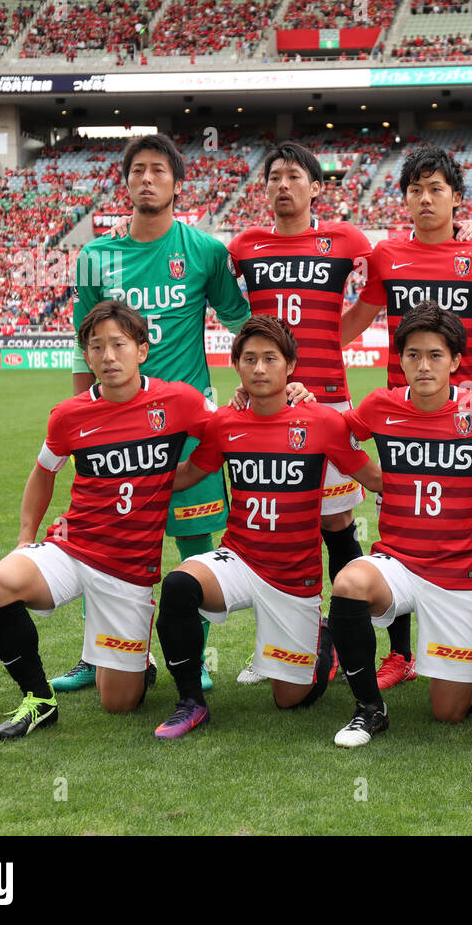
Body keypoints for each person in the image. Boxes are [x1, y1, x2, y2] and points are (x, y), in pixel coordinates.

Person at [59, 133, 251, 694]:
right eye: (138, 169)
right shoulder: (96, 257)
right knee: (105, 547)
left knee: (196, 546)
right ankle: (103, 655)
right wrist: (77, 416)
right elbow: (82, 343)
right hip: (113, 430)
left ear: (176, 183)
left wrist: (254, 388)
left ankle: (195, 657)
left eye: (158, 171)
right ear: (125, 182)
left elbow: (242, 323)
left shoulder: (205, 252)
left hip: (188, 428)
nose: (147, 178)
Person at [0, 301, 214, 739]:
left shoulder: (178, 400)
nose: (108, 356)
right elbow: (42, 473)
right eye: (97, 347)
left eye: (118, 345)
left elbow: (226, 435)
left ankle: (135, 664)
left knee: (118, 705)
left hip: (128, 570)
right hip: (72, 547)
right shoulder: (69, 415)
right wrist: (25, 538)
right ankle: (39, 699)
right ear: (86, 356)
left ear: (142, 349)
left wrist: (179, 477)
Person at [340, 145, 472, 694]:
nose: (426, 198)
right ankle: (400, 653)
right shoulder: (386, 255)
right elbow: (355, 319)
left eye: (436, 188)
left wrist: (469, 368)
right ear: (404, 198)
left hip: (470, 421)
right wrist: (290, 365)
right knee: (398, 534)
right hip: (400, 421)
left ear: (456, 197)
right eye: (416, 189)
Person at [152, 316, 382, 737]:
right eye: (250, 359)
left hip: (295, 576)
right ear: (236, 366)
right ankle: (190, 702)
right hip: (240, 558)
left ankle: (323, 643)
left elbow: (372, 477)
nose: (259, 368)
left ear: (290, 365)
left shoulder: (322, 422)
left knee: (288, 700)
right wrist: (128, 479)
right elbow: (185, 475)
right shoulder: (225, 423)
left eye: (270, 359)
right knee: (180, 585)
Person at [327, 302, 472, 747]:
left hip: (457, 577)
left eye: (435, 355)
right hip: (397, 563)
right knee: (349, 582)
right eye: (413, 355)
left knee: (450, 713)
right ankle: (369, 707)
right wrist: (377, 479)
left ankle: (451, 668)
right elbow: (336, 432)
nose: (423, 366)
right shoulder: (381, 406)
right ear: (400, 359)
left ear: (456, 360)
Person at [226, 142, 374, 685]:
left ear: (316, 187)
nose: (282, 185)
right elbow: (233, 311)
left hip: (328, 401)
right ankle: (283, 646)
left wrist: (333, 339)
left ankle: (339, 639)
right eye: (273, 177)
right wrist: (256, 375)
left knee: (337, 523)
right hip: (269, 404)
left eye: (294, 176)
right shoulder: (244, 246)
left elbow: (378, 294)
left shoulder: (346, 240)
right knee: (277, 528)